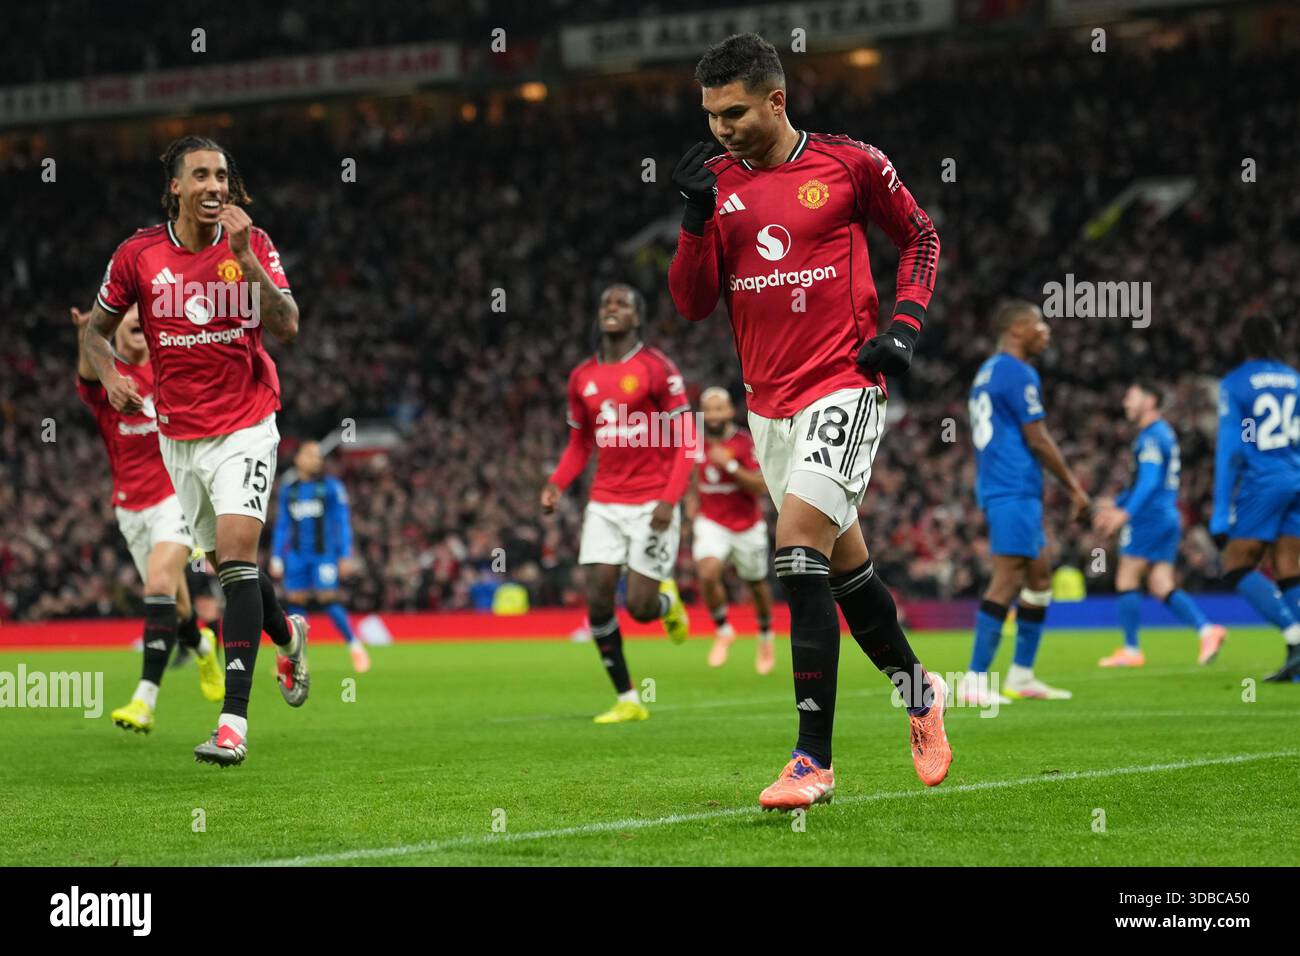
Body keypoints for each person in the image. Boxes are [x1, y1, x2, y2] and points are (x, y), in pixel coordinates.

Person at [667, 33, 950, 811]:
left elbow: (920, 236)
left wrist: (905, 326)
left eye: (734, 112)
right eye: (711, 115)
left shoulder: (850, 164)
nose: (720, 129)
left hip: (845, 384)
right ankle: (919, 692)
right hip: (768, 407)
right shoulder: (716, 187)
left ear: (776, 99)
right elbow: (690, 304)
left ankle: (811, 761)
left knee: (796, 557)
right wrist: (694, 218)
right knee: (846, 574)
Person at [82, 135, 309, 766]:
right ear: (176, 187)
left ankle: (232, 723)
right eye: (201, 176)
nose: (215, 187)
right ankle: (289, 635)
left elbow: (287, 324)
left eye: (223, 177)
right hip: (179, 437)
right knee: (228, 570)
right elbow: (96, 335)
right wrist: (108, 375)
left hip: (247, 422)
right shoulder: (138, 255)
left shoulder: (252, 243)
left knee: (236, 560)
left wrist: (246, 259)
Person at [540, 284, 693, 723]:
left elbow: (687, 441)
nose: (612, 308)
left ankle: (667, 604)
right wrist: (556, 483)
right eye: (606, 302)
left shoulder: (656, 368)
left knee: (641, 609)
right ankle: (628, 697)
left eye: (623, 303)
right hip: (605, 502)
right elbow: (579, 444)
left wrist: (669, 499)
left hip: (653, 501)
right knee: (598, 598)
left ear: (637, 318)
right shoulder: (581, 377)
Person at [71, 303, 224, 732]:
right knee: (173, 605)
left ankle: (145, 699)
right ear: (115, 333)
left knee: (158, 583)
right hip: (129, 508)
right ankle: (203, 647)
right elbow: (87, 373)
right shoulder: (110, 383)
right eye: (126, 317)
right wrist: (88, 335)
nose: (137, 320)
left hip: (174, 498)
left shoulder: (169, 372)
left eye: (143, 314)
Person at [960, 301, 1091, 706]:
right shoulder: (1018, 372)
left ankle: (1021, 674)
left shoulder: (987, 371)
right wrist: (1074, 487)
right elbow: (1037, 438)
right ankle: (974, 681)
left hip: (1008, 486)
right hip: (1012, 487)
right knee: (1008, 577)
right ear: (1017, 329)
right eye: (1039, 323)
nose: (1046, 330)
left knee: (1038, 577)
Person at [1092, 380, 1227, 666]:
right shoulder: (1162, 433)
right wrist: (1116, 503)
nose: (1125, 403)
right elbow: (1147, 482)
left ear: (1150, 400)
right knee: (1159, 582)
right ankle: (1207, 630)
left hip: (1149, 517)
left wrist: (1125, 514)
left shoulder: (1151, 436)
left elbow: (1150, 481)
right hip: (1167, 514)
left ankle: (1131, 649)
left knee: (1126, 577)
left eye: (1131, 396)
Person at [1210, 314, 1300, 683]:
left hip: (1265, 479)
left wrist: (1219, 511)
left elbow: (1232, 449)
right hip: (1296, 475)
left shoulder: (1236, 383)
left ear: (1243, 343)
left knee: (1235, 563)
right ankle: (1296, 661)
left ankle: (1295, 634)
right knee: (1289, 566)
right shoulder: (1295, 379)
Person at [688, 386, 776, 674]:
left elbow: (759, 485)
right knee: (707, 572)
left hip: (746, 524)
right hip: (712, 521)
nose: (713, 414)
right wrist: (690, 504)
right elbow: (689, 477)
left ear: (729, 411)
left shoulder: (744, 442)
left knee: (756, 583)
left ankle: (765, 636)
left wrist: (730, 466)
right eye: (708, 409)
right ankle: (724, 629)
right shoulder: (694, 444)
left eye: (718, 408)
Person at [271, 441, 369, 673]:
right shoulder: (290, 490)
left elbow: (342, 522)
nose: (316, 460)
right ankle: (296, 657)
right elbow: (283, 525)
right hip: (296, 556)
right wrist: (276, 555)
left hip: (323, 555)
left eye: (318, 456)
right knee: (296, 602)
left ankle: (355, 646)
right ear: (298, 459)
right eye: (311, 455)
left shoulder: (331, 488)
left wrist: (345, 554)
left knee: (328, 598)